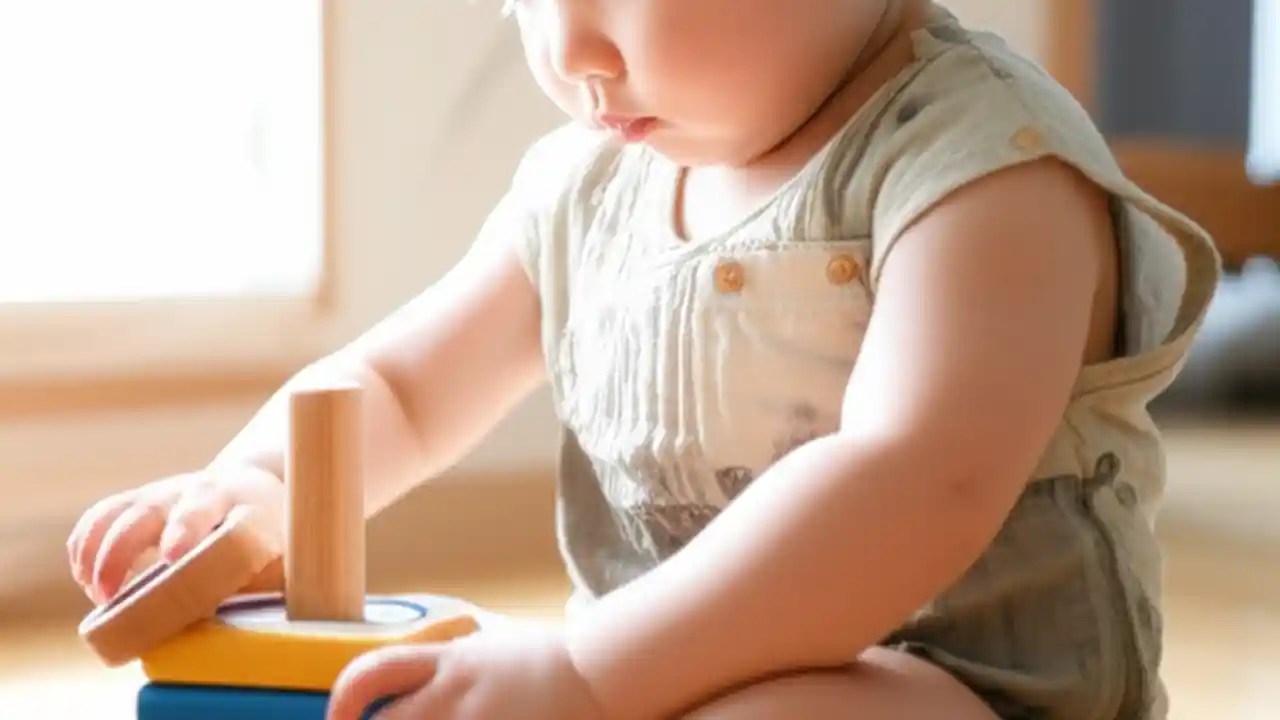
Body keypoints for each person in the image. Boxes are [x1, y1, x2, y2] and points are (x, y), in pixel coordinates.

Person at [66, 1, 1221, 718]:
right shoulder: (588, 184)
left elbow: (912, 482)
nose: (569, 46)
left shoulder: (980, 172)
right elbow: (405, 387)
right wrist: (258, 485)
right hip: (653, 681)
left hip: (960, 690)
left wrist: (587, 681)